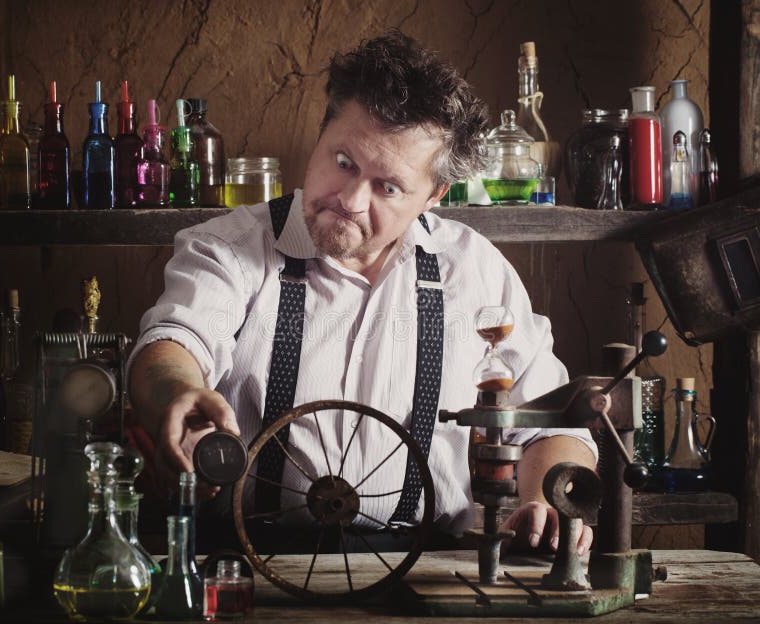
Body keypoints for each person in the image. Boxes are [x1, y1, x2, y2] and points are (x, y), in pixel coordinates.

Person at [128, 31, 597, 554]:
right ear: (322, 132)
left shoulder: (476, 271)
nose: (349, 198)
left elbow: (548, 422)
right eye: (344, 161)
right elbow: (175, 340)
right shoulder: (230, 249)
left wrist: (543, 500)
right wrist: (176, 392)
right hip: (247, 563)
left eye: (388, 186)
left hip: (429, 568)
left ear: (435, 195)